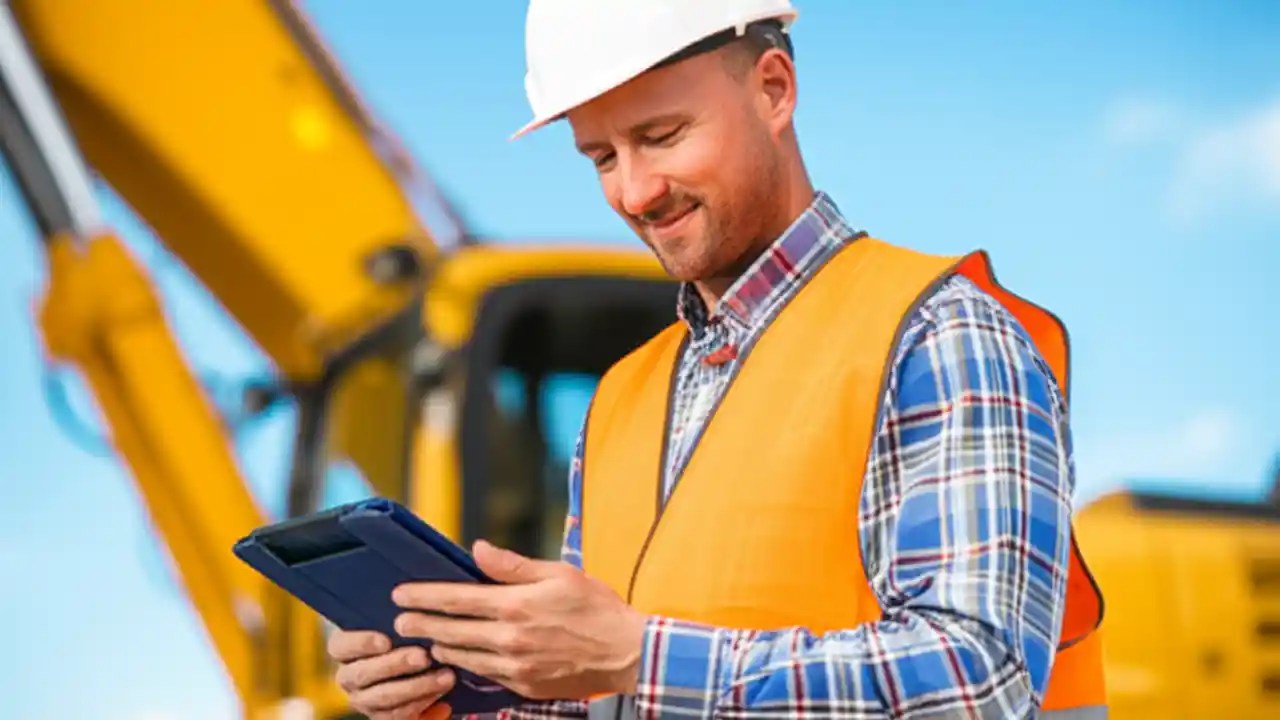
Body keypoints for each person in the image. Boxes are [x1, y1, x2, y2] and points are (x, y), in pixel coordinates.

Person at [325, 1, 1108, 718]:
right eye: (600, 157)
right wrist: (442, 691)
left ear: (773, 90)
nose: (634, 192)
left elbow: (978, 680)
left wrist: (637, 653)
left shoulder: (937, 333)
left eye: (662, 137)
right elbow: (604, 693)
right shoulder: (622, 401)